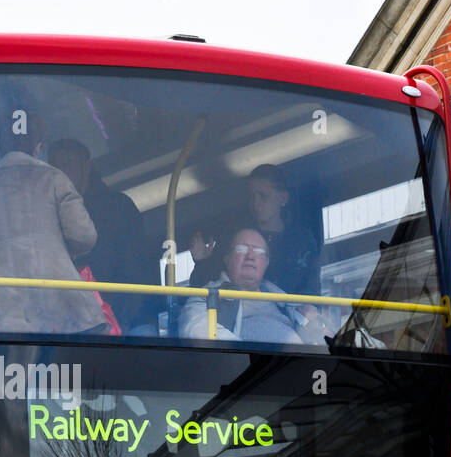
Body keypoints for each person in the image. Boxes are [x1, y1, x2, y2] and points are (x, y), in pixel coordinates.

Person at [0, 118, 105, 336]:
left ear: (0, 149)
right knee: (74, 369)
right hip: (64, 307)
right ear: (38, 147)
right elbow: (83, 236)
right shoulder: (55, 178)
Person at [46, 138, 158, 333]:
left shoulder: (118, 207)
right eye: (55, 167)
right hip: (71, 326)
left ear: (86, 167)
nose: (61, 172)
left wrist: (116, 317)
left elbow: (135, 270)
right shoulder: (47, 216)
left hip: (122, 322)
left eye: (67, 164)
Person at [177, 228, 327, 346]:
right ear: (227, 259)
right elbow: (194, 328)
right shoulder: (209, 294)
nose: (250, 256)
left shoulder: (280, 297)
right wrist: (252, 358)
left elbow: (324, 336)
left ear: (266, 262)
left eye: (258, 251)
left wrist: (312, 324)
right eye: (241, 249)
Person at [189, 163, 321, 294]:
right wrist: (202, 263)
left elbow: (312, 288)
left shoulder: (302, 241)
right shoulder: (233, 238)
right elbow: (206, 292)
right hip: (242, 312)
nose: (256, 203)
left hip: (290, 314)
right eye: (252, 196)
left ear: (283, 198)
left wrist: (310, 309)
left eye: (263, 196)